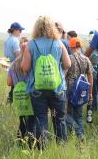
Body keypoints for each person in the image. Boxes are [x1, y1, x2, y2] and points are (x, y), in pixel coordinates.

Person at [21, 16, 71, 146]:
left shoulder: (31, 44)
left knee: (41, 119)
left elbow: (25, 67)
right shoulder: (58, 43)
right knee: (59, 119)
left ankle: (43, 148)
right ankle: (62, 147)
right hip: (57, 88)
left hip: (37, 89)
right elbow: (68, 64)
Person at [7, 37, 36, 147]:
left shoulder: (13, 64)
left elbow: (9, 82)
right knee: (32, 120)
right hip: (30, 94)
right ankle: (31, 144)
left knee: (22, 120)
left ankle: (19, 142)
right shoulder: (32, 62)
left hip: (19, 96)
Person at [64, 37, 93, 141]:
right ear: (80, 46)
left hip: (70, 90)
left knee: (66, 114)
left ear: (71, 47)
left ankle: (78, 133)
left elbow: (64, 74)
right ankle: (81, 137)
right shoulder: (86, 59)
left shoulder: (69, 58)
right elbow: (90, 76)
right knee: (79, 115)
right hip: (82, 89)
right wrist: (90, 92)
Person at [4, 22, 24, 103]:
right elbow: (18, 55)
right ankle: (12, 101)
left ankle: (10, 101)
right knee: (18, 86)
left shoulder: (8, 39)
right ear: (15, 30)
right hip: (16, 66)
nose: (20, 32)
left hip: (9, 65)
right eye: (20, 30)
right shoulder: (15, 41)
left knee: (13, 86)